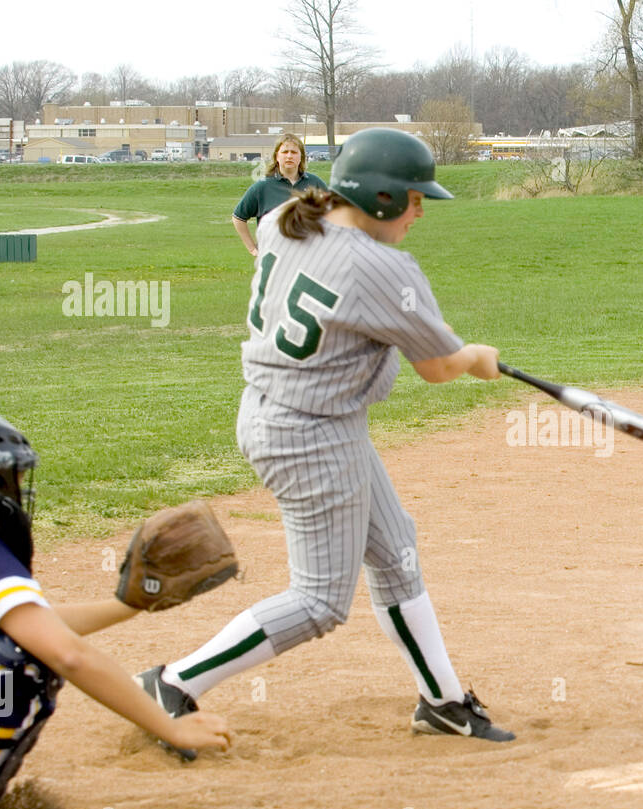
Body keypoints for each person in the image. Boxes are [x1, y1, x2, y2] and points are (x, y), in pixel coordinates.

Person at [136, 127, 514, 756]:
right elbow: (440, 366)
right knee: (318, 602)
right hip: (308, 434)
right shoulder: (384, 266)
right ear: (382, 198)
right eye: (415, 198)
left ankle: (443, 702)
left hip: (288, 411)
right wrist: (476, 356)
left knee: (395, 552)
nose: (421, 211)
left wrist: (428, 328)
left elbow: (371, 308)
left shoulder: (284, 215)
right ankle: (171, 684)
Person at [0, 410, 230, 809]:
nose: (18, 489)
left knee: (1, 658)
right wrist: (169, 726)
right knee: (21, 670)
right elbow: (63, 653)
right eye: (8, 476)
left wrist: (129, 605)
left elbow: (32, 625)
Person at [231, 133, 329, 258]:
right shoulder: (262, 186)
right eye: (285, 152)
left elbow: (333, 216)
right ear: (277, 156)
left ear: (301, 157)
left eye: (294, 152)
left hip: (308, 258)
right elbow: (238, 218)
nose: (289, 156)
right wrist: (252, 249)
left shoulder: (315, 183)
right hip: (272, 258)